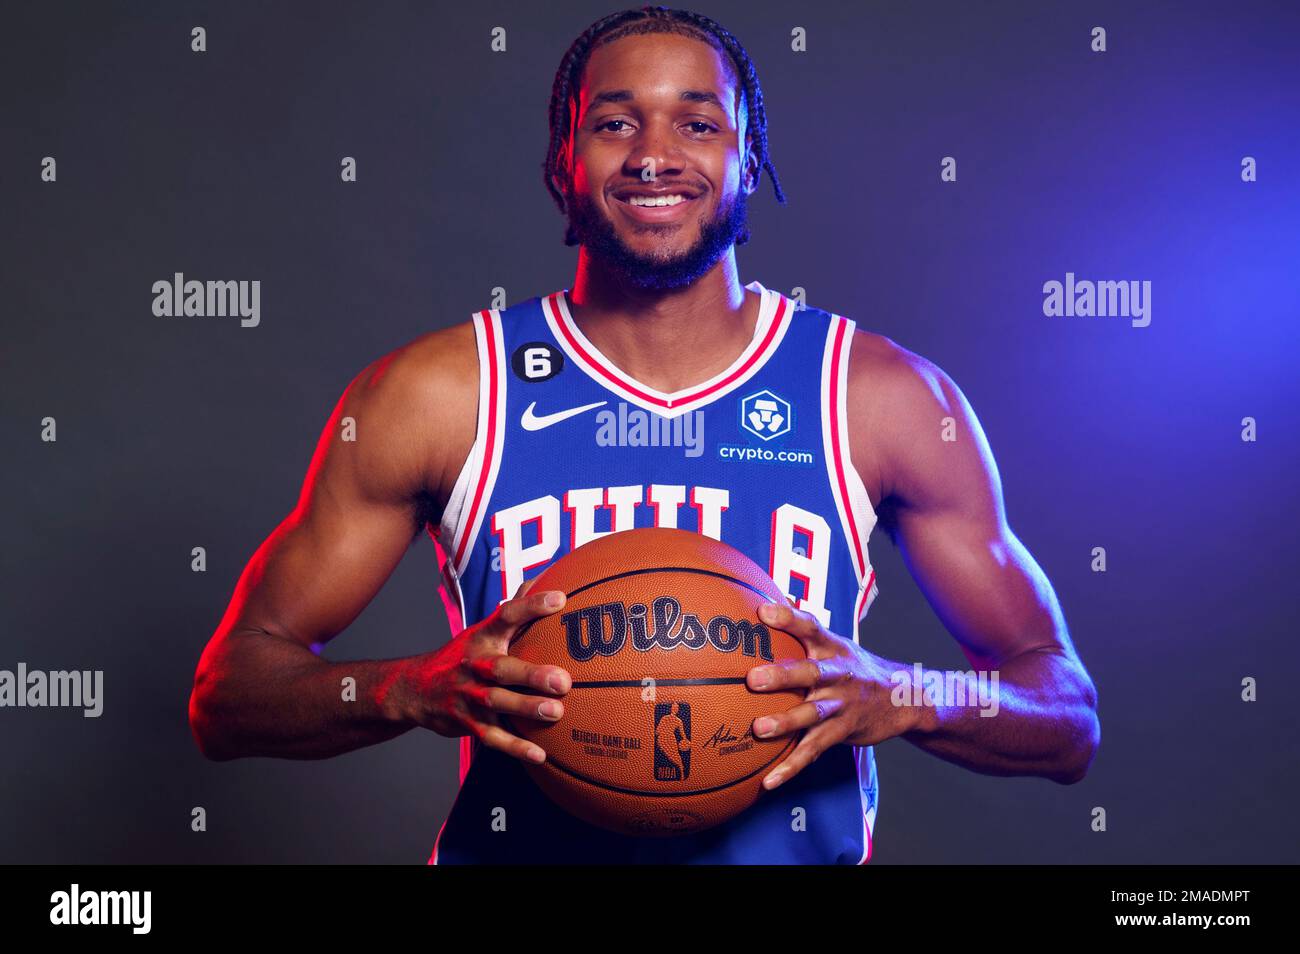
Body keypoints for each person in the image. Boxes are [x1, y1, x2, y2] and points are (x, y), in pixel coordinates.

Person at [189, 6, 1099, 865]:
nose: (654, 157)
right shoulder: (440, 393)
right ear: (563, 162)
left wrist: (904, 695)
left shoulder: (880, 397)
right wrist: (413, 688)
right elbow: (227, 696)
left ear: (750, 160)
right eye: (615, 124)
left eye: (698, 124)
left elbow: (1065, 716)